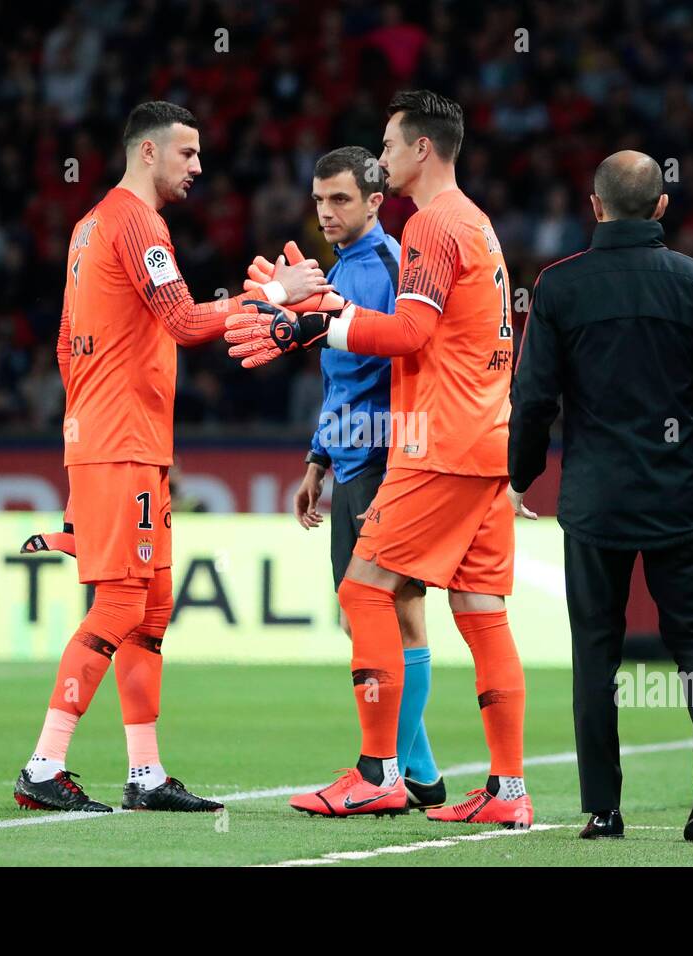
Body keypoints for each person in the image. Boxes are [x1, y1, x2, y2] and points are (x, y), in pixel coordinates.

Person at [13, 100, 330, 813]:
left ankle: (145, 775)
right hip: (120, 444)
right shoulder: (135, 223)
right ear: (148, 152)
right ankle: (43, 765)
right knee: (123, 601)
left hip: (125, 443)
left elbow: (67, 344)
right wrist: (278, 295)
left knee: (151, 609)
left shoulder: (88, 227)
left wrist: (95, 432)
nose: (198, 167)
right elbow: (185, 321)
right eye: (187, 154)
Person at [224, 91, 531, 826]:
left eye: (389, 147)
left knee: (365, 594)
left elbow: (410, 336)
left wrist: (315, 328)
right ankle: (508, 791)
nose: (383, 157)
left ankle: (378, 772)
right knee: (481, 613)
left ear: (421, 149)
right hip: (490, 437)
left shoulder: (429, 225)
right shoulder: (479, 224)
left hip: (439, 442)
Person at [507, 150, 693, 842]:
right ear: (661, 208)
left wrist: (518, 476)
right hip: (678, 498)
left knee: (596, 653)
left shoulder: (558, 287)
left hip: (595, 504)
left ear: (595, 206)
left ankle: (604, 810)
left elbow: (534, 398)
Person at [284, 145, 446, 808]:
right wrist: (319, 458)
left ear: (376, 202)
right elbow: (342, 377)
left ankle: (385, 771)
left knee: (398, 611)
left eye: (341, 199)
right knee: (364, 619)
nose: (326, 212)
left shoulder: (387, 265)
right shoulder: (341, 269)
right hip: (349, 461)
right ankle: (420, 772)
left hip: (389, 462)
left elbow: (407, 356)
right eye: (320, 200)